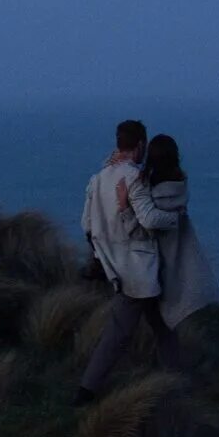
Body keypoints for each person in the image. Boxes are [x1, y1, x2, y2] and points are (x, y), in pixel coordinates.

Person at [76, 119, 183, 405]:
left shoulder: (98, 179)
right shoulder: (135, 178)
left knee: (162, 326)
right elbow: (148, 219)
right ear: (140, 145)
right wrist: (175, 218)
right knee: (121, 333)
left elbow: (86, 224)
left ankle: (177, 381)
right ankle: (86, 390)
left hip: (114, 265)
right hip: (139, 270)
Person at [116, 132, 219, 335]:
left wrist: (124, 208)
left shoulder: (154, 199)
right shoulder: (179, 190)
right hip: (181, 278)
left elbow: (142, 230)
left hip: (151, 273)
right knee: (164, 332)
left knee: (122, 329)